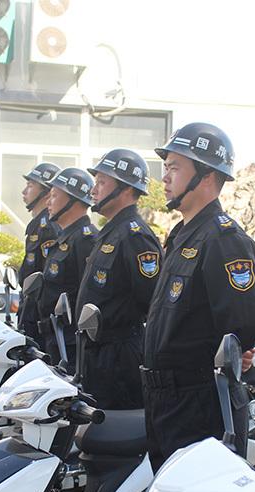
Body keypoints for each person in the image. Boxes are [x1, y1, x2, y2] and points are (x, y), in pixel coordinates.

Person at [142, 122, 255, 472]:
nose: (164, 178)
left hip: (199, 403)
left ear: (207, 175)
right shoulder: (182, 236)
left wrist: (238, 353)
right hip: (165, 401)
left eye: (174, 167)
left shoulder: (224, 240)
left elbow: (244, 323)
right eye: (165, 167)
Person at [75, 149, 162, 410]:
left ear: (126, 189)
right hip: (98, 353)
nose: (93, 190)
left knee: (115, 426)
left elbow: (153, 302)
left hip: (119, 358)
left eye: (102, 182)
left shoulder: (135, 236)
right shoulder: (111, 232)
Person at [36, 167, 98, 369]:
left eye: (54, 196)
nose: (48, 202)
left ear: (73, 200)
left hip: (70, 344)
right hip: (56, 338)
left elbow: (87, 295)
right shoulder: (65, 238)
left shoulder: (86, 240)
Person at [17, 162, 60, 347]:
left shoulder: (48, 227)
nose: (24, 191)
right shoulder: (38, 225)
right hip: (30, 309)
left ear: (46, 192)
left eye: (30, 185)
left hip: (39, 314)